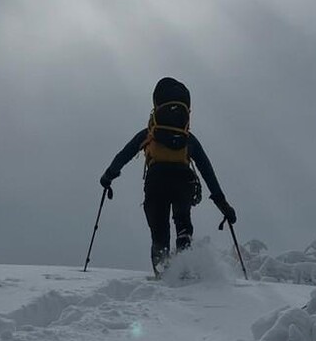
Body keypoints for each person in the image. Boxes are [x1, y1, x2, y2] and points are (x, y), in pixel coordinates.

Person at [99, 77, 237, 275]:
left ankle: (164, 276)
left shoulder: (149, 133)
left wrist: (108, 177)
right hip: (183, 182)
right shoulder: (188, 139)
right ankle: (185, 269)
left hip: (156, 182)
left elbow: (124, 155)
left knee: (160, 234)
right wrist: (223, 204)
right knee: (183, 223)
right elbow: (207, 170)